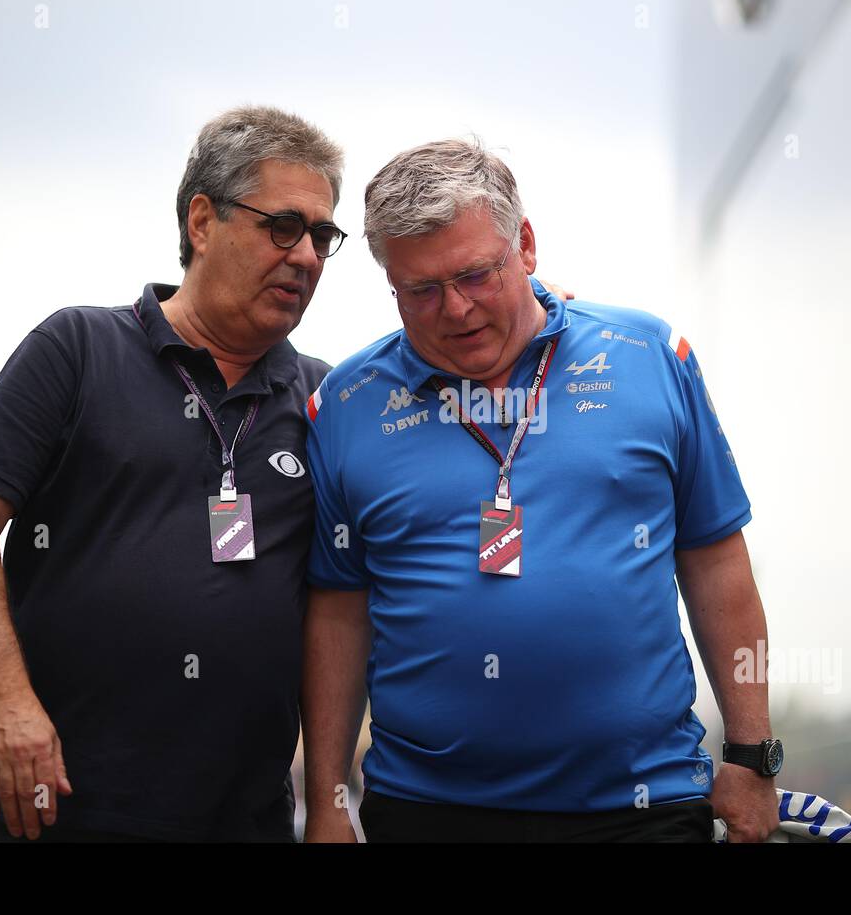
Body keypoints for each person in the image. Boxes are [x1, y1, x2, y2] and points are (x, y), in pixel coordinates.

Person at [301, 138, 783, 843]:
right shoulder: (347, 405)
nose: (456, 310)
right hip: (429, 813)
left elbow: (716, 563)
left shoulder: (650, 358)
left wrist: (750, 756)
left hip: (642, 806)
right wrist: (328, 800)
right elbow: (338, 614)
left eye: (475, 275)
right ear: (391, 286)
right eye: (422, 291)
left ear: (524, 245)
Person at [0, 105, 344, 841]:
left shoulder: (327, 400)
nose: (306, 255)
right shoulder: (79, 348)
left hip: (245, 822)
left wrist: (530, 332)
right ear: (203, 221)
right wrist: (7, 703)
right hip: (63, 806)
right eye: (282, 226)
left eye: (320, 235)